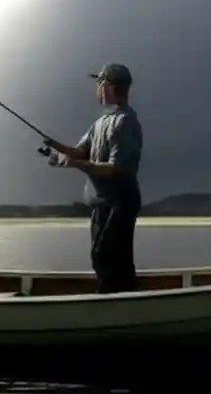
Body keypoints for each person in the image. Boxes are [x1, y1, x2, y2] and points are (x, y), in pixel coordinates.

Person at [41, 63, 143, 293]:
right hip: (101, 202)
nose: (96, 88)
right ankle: (116, 297)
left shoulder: (126, 122)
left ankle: (119, 302)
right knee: (100, 256)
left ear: (110, 85)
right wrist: (56, 148)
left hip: (121, 202)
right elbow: (79, 151)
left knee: (108, 254)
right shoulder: (99, 123)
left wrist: (76, 164)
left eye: (99, 82)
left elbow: (115, 169)